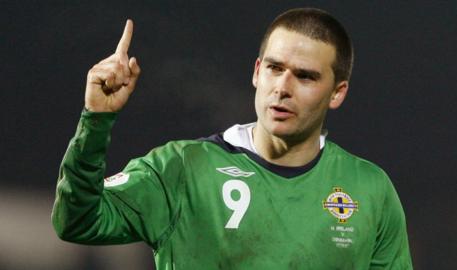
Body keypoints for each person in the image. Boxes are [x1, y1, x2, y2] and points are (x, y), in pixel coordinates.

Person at [52, 8, 413, 270]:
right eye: (274, 68)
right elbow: (77, 221)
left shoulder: (370, 190)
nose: (282, 88)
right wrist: (96, 120)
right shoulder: (181, 168)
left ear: (337, 92)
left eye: (304, 77)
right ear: (257, 72)